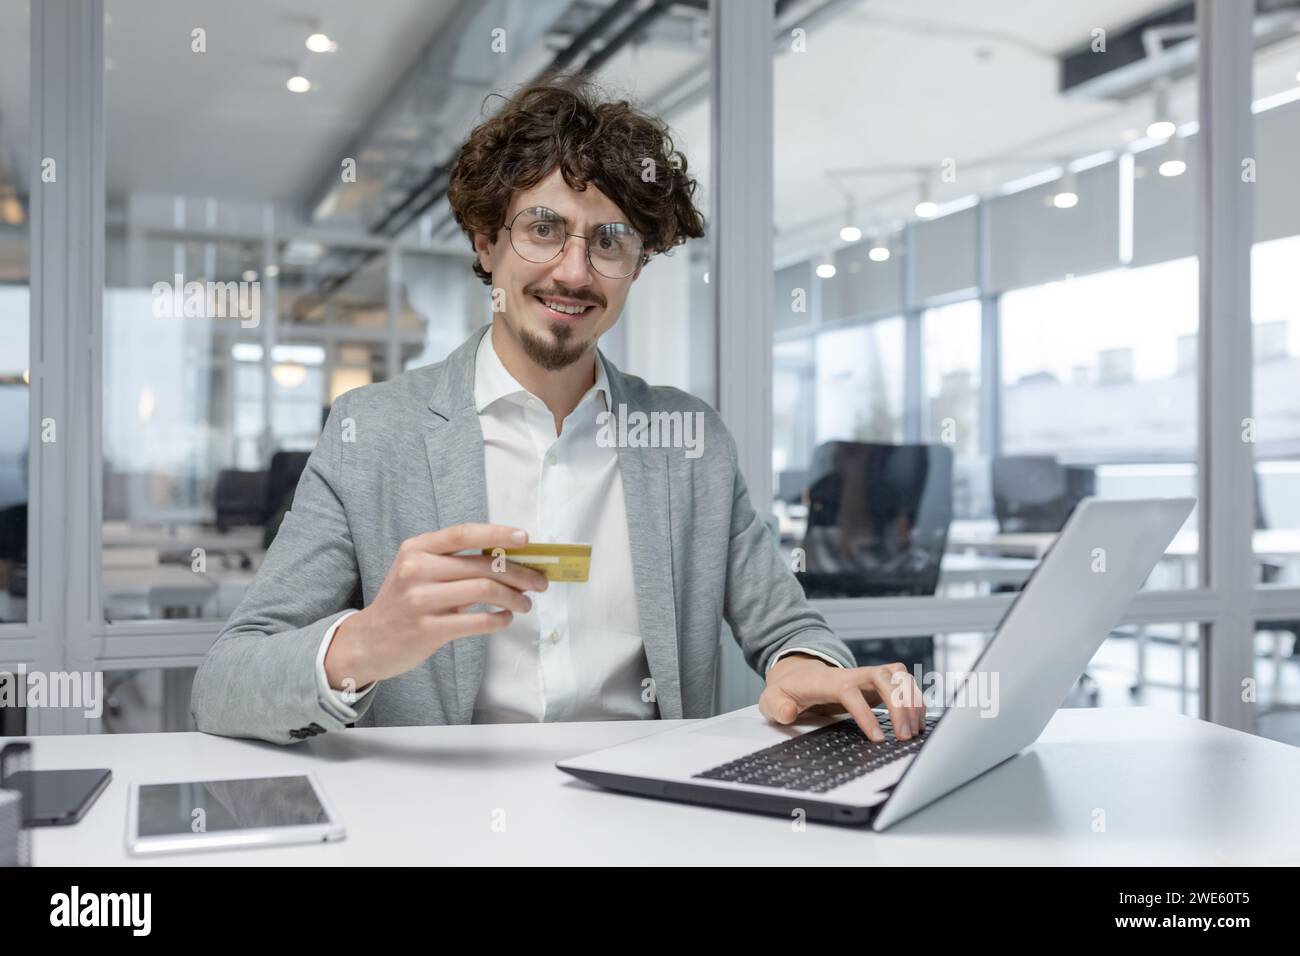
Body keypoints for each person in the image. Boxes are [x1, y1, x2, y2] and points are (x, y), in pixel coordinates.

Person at [190, 72, 925, 745]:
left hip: (649, 818)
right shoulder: (371, 431)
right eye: (543, 229)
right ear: (487, 241)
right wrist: (364, 643)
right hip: (439, 826)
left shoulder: (688, 440)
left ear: (637, 264)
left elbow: (787, 626)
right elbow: (222, 689)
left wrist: (804, 667)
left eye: (610, 242)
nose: (574, 272)